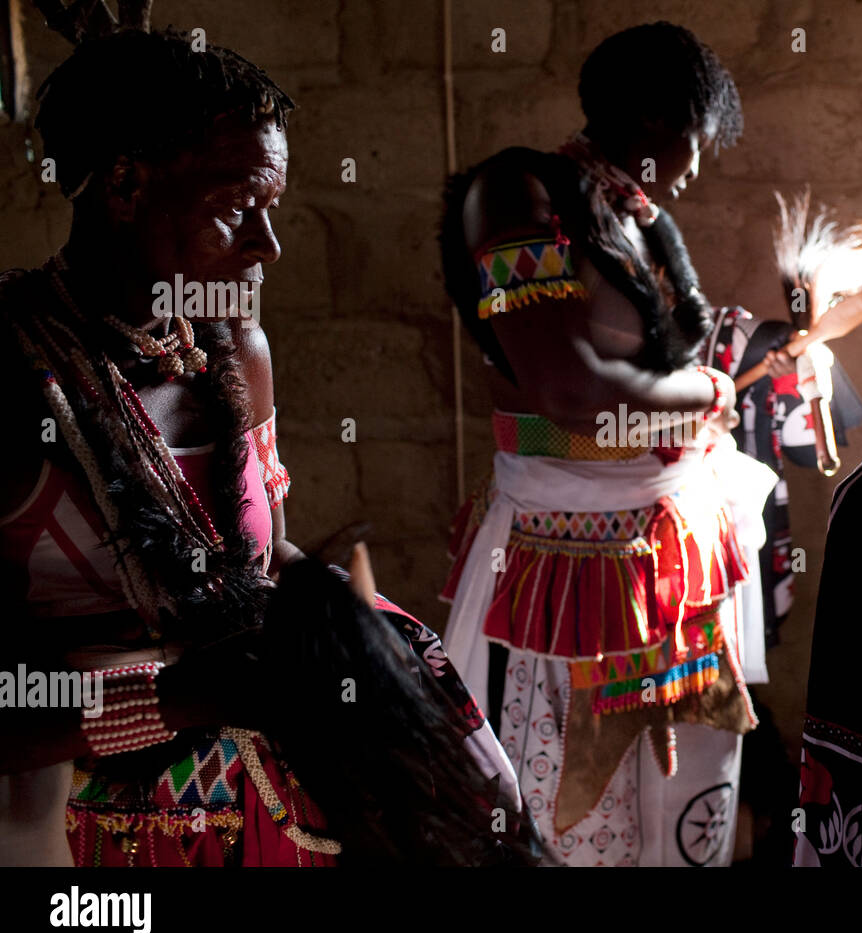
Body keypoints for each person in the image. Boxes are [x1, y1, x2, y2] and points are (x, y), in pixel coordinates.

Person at [0, 16, 517, 866]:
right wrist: (181, 698)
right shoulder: (11, 375)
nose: (268, 247)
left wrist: (349, 635)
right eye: (238, 207)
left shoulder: (233, 349)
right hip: (66, 813)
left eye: (271, 210)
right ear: (125, 186)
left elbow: (261, 551)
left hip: (265, 779)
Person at [439, 21, 774, 866]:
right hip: (562, 568)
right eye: (700, 136)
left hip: (668, 555)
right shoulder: (514, 199)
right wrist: (705, 391)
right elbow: (570, 388)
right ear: (663, 115)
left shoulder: (634, 220)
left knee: (681, 813)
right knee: (570, 822)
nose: (700, 164)